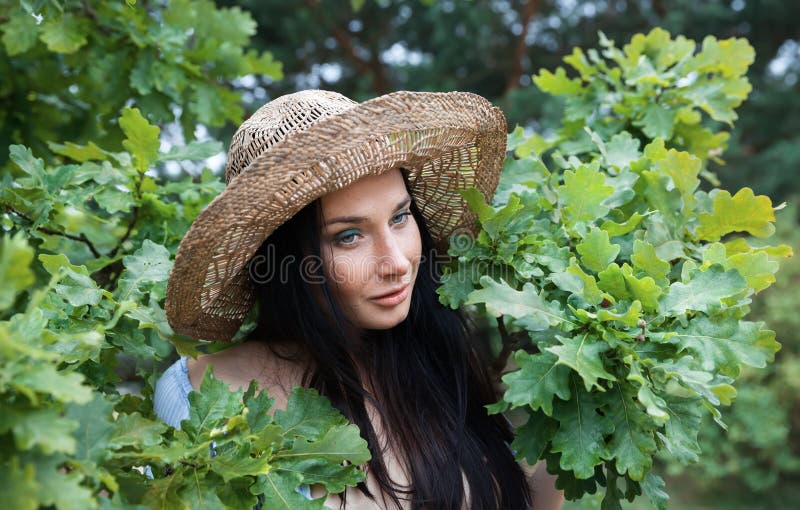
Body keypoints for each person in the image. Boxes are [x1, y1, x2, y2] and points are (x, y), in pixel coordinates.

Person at [155, 90, 564, 509]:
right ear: (285, 259)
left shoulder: (439, 360)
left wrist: (578, 415)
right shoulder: (202, 400)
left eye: (400, 217)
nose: (397, 262)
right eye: (349, 236)